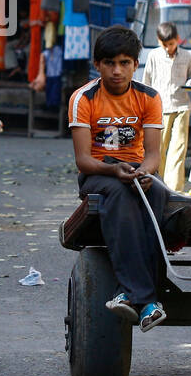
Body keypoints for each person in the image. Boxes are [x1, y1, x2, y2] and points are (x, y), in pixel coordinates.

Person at [68, 26, 170, 332]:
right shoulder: (83, 98)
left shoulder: (149, 97)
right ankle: (147, 299)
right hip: (99, 174)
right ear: (97, 65)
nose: (117, 70)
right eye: (109, 63)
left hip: (137, 170)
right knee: (122, 196)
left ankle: (131, 294)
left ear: (135, 65)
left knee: (160, 197)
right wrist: (115, 170)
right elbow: (83, 160)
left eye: (125, 63)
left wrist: (146, 172)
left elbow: (153, 155)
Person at [140, 21, 191, 190]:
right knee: (158, 148)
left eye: (171, 44)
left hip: (182, 106)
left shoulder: (187, 56)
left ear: (177, 40)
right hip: (159, 107)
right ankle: (159, 185)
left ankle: (175, 189)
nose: (168, 48)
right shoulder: (153, 56)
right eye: (164, 45)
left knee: (179, 148)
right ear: (158, 41)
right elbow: (146, 82)